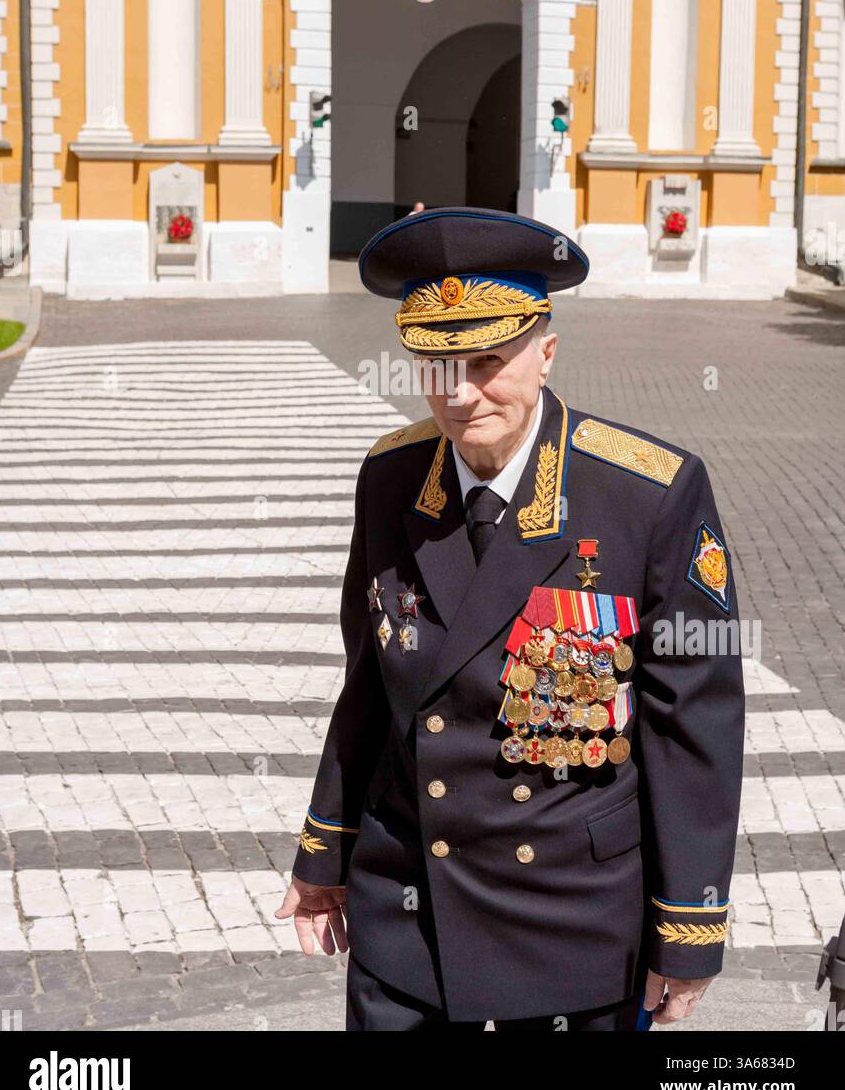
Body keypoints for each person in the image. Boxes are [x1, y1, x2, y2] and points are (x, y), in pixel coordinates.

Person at [276, 206, 745, 1032]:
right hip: (409, 903)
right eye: (434, 361)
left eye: (487, 360)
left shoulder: (647, 494)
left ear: (546, 350)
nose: (457, 394)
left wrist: (689, 928)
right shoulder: (391, 478)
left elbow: (692, 725)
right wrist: (324, 854)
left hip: (570, 918)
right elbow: (367, 687)